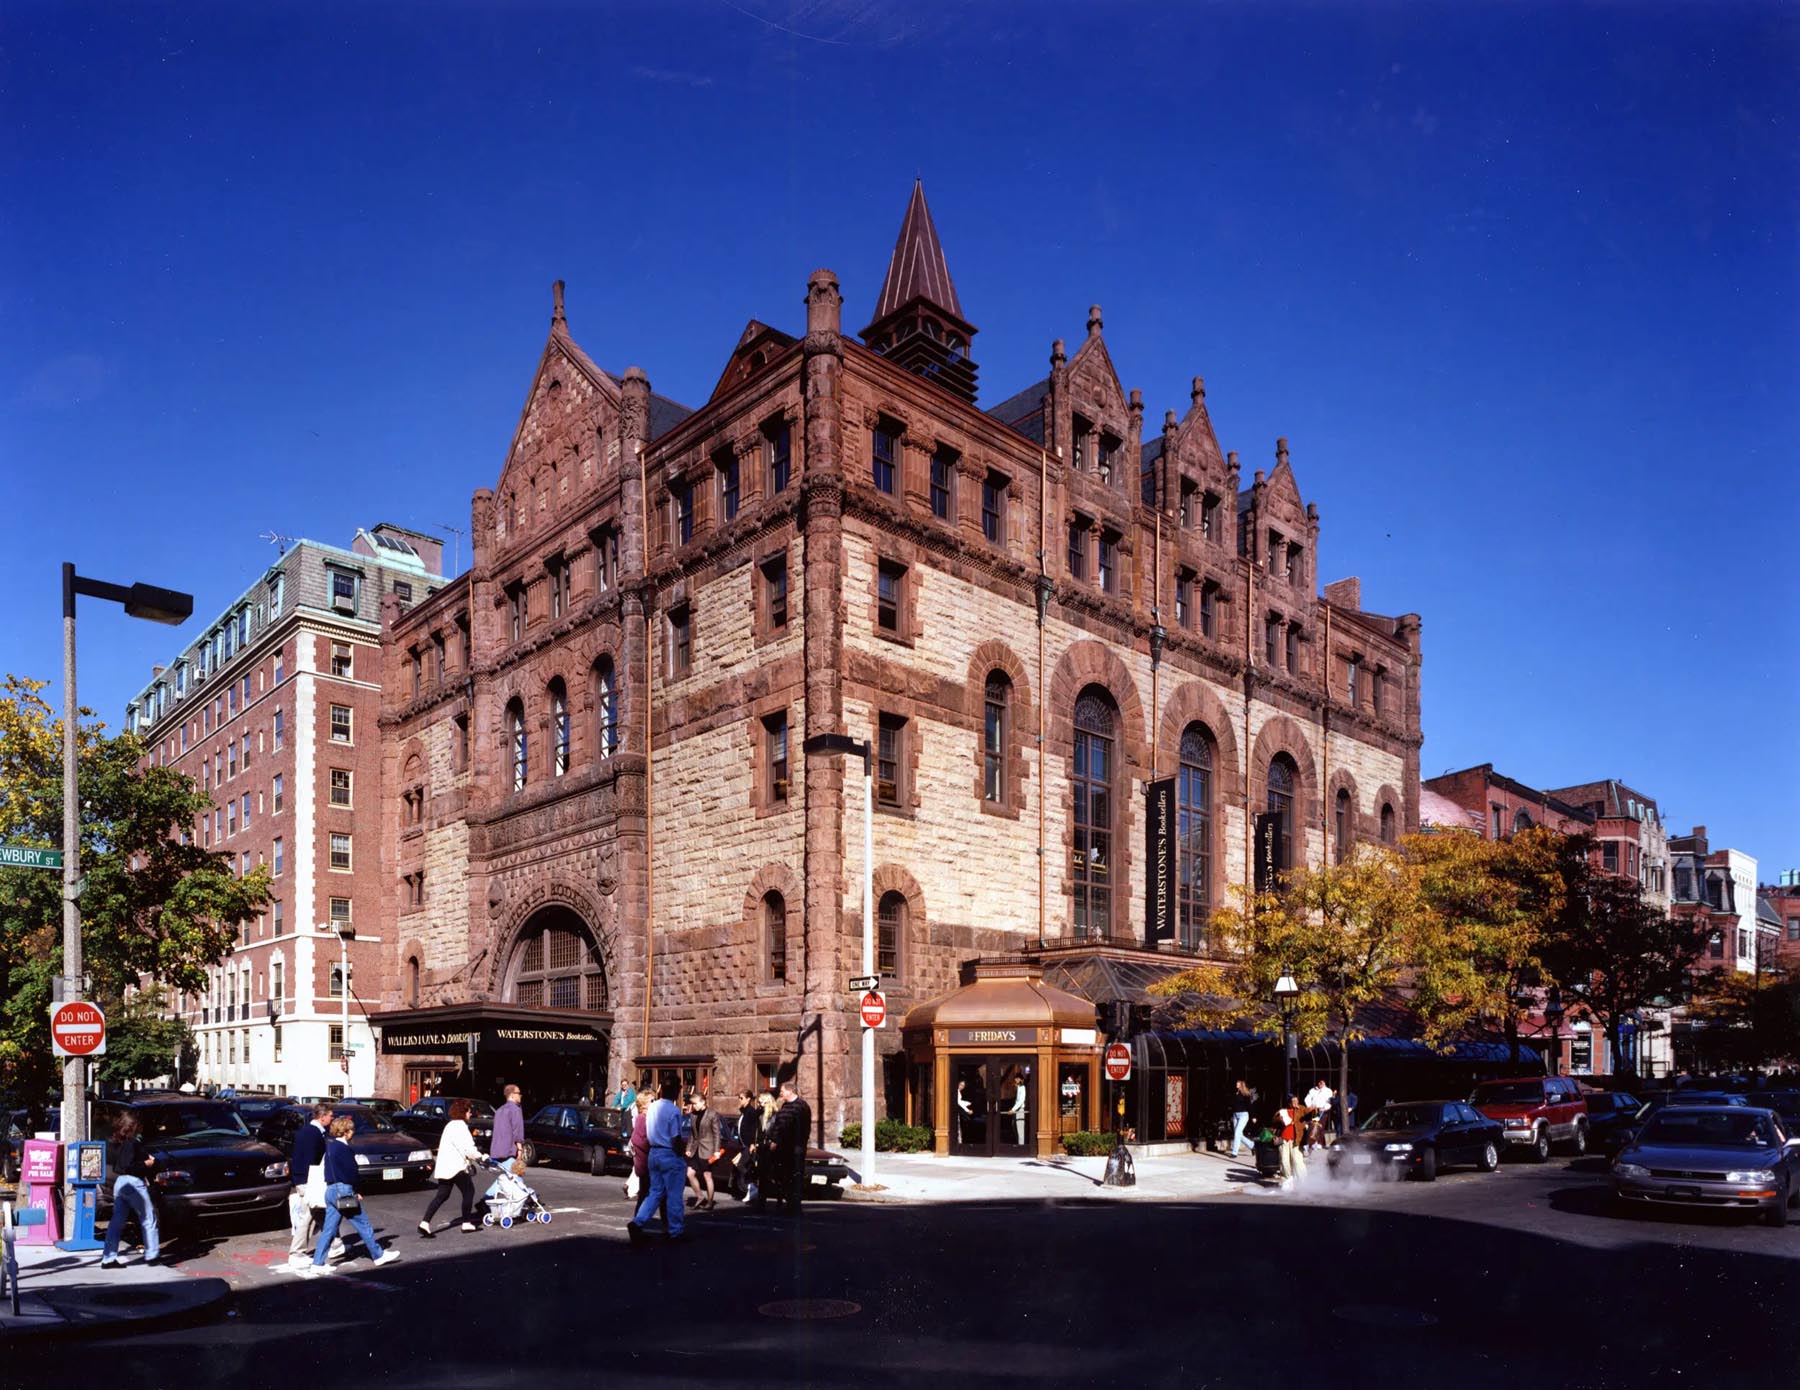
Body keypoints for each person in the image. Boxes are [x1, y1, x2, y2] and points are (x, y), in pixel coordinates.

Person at [304, 1117, 400, 1276]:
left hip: (330, 1190)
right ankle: (378, 1255)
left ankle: (317, 1263)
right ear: (346, 1132)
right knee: (363, 1224)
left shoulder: (330, 1148)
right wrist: (357, 1190)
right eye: (351, 1130)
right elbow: (352, 1173)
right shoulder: (345, 1149)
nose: (353, 1132)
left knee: (328, 1229)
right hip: (344, 1190)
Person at [627, 1082, 688, 1245]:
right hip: (668, 1152)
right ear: (675, 1092)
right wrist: (681, 1154)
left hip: (654, 1152)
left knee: (655, 1192)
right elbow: (675, 1138)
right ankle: (675, 1231)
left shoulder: (652, 1107)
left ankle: (638, 1221)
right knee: (674, 1194)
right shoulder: (674, 1110)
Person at [418, 1098, 483, 1236]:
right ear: (464, 1112)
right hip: (457, 1167)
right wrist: (480, 1157)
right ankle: (466, 1223)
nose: (470, 1113)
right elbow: (467, 1148)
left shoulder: (449, 1125)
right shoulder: (461, 1127)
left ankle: (425, 1223)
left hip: (445, 1167)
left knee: (442, 1195)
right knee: (469, 1192)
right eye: (469, 1111)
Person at [100, 1112, 158, 1268]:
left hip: (120, 1183)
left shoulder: (117, 1142)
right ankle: (152, 1255)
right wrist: (147, 1163)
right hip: (133, 1183)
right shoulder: (133, 1143)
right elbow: (130, 1166)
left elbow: (120, 1166)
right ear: (135, 1126)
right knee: (149, 1218)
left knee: (117, 1221)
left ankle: (108, 1258)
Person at [286, 1103, 338, 1269]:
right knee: (308, 1217)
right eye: (330, 1116)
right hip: (309, 1180)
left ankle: (336, 1244)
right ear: (322, 1117)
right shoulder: (313, 1133)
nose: (332, 1119)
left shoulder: (310, 1131)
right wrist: (312, 1181)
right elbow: (310, 1161)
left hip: (306, 1179)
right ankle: (296, 1253)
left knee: (319, 1213)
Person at [758, 1080, 812, 1215]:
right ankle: (788, 1203)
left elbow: (802, 1129)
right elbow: (779, 1126)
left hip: (795, 1148)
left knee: (796, 1176)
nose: (780, 1093)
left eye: (782, 1091)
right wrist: (775, 1140)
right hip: (783, 1148)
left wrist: (798, 1145)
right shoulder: (785, 1106)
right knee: (785, 1176)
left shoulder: (801, 1106)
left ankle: (795, 1206)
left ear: (790, 1091)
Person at [687, 1092, 722, 1210]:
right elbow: (692, 1134)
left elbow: (717, 1134)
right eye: (692, 1104)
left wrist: (716, 1150)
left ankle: (710, 1202)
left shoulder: (712, 1114)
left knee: (707, 1175)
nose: (693, 1106)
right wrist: (688, 1148)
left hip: (708, 1149)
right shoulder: (693, 1115)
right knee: (689, 1173)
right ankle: (700, 1196)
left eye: (695, 1103)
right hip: (696, 1149)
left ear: (703, 1102)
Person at [1275, 1095, 1308, 1190]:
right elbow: (1274, 1121)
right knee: (1284, 1162)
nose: (1295, 1103)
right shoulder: (1282, 1111)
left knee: (1297, 1162)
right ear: (1289, 1103)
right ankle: (1286, 1181)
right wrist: (1280, 1120)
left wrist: (1314, 1109)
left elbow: (1310, 1113)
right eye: (1293, 1101)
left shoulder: (1301, 1109)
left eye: (1296, 1101)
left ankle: (1303, 1183)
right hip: (1284, 1140)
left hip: (1296, 1140)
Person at [735, 1090, 763, 1202]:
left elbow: (752, 1129)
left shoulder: (750, 1112)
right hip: (744, 1144)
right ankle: (751, 1188)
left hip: (748, 1145)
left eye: (741, 1098)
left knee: (741, 1165)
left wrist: (752, 1144)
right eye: (739, 1097)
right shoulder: (745, 1111)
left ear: (748, 1099)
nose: (739, 1100)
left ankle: (752, 1187)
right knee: (743, 1166)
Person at [491, 1084, 525, 1164]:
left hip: (496, 1151)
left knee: (501, 1172)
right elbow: (517, 1131)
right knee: (513, 1172)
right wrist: (520, 1149)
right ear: (512, 1095)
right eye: (518, 1093)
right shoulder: (516, 1109)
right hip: (510, 1151)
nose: (520, 1095)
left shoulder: (499, 1110)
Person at [1229, 1080, 1258, 1158]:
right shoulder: (1235, 1093)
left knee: (1237, 1133)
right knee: (1238, 1134)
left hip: (1243, 1115)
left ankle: (1234, 1153)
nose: (1236, 1084)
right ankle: (1252, 1145)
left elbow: (1250, 1106)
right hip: (1235, 1115)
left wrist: (1253, 1116)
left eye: (1238, 1083)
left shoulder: (1245, 1094)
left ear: (1241, 1085)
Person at [1304, 1079, 1335, 1152]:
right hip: (1314, 1111)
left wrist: (1324, 1108)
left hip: (1323, 1111)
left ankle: (1320, 1143)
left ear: (1324, 1082)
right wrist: (1310, 1106)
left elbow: (1330, 1102)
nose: (1320, 1083)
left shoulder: (1328, 1091)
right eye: (1319, 1082)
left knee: (1320, 1126)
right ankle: (1312, 1143)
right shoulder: (1313, 1090)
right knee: (1313, 1126)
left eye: (1322, 1082)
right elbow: (1307, 1099)